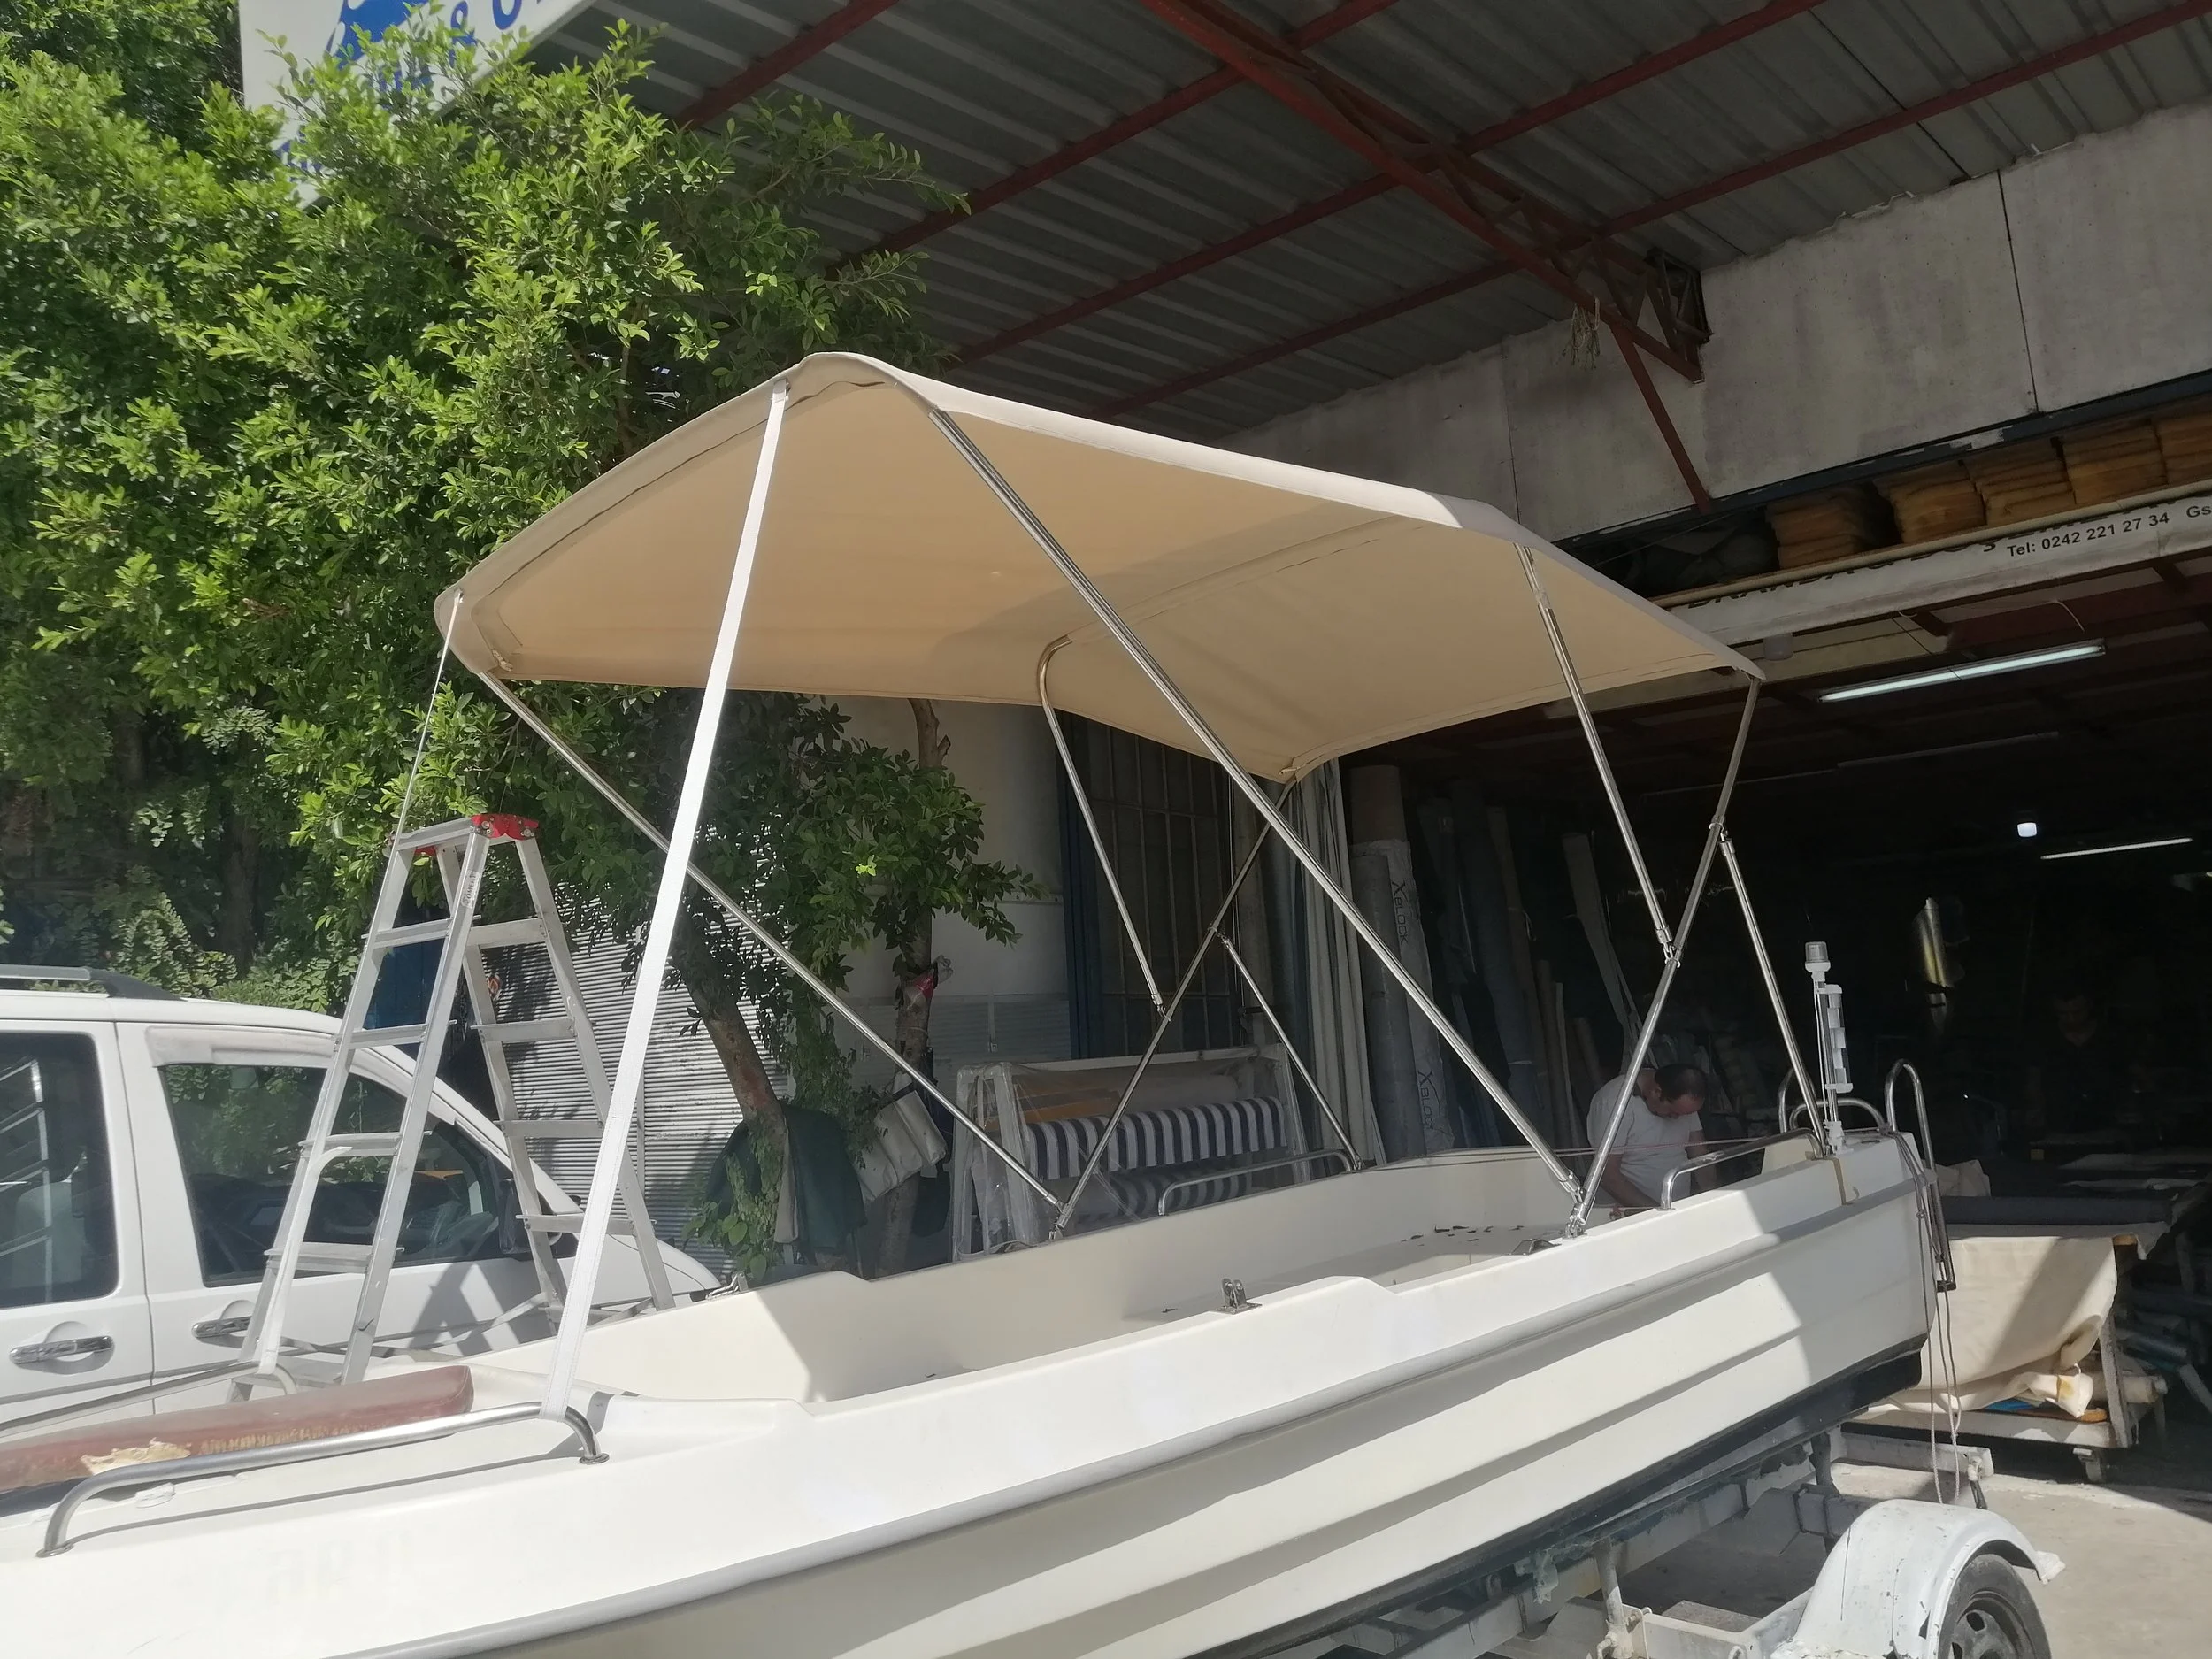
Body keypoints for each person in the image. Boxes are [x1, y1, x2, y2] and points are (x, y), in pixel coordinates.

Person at [1586, 1062, 1709, 1212]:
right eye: (1674, 1112)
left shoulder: (1681, 1098)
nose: (1677, 1118)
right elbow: (1608, 1175)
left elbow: (1699, 1151)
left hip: (1679, 1209)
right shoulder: (1614, 1103)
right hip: (1632, 1214)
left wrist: (1711, 1196)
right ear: (1657, 1092)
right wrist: (1656, 1212)